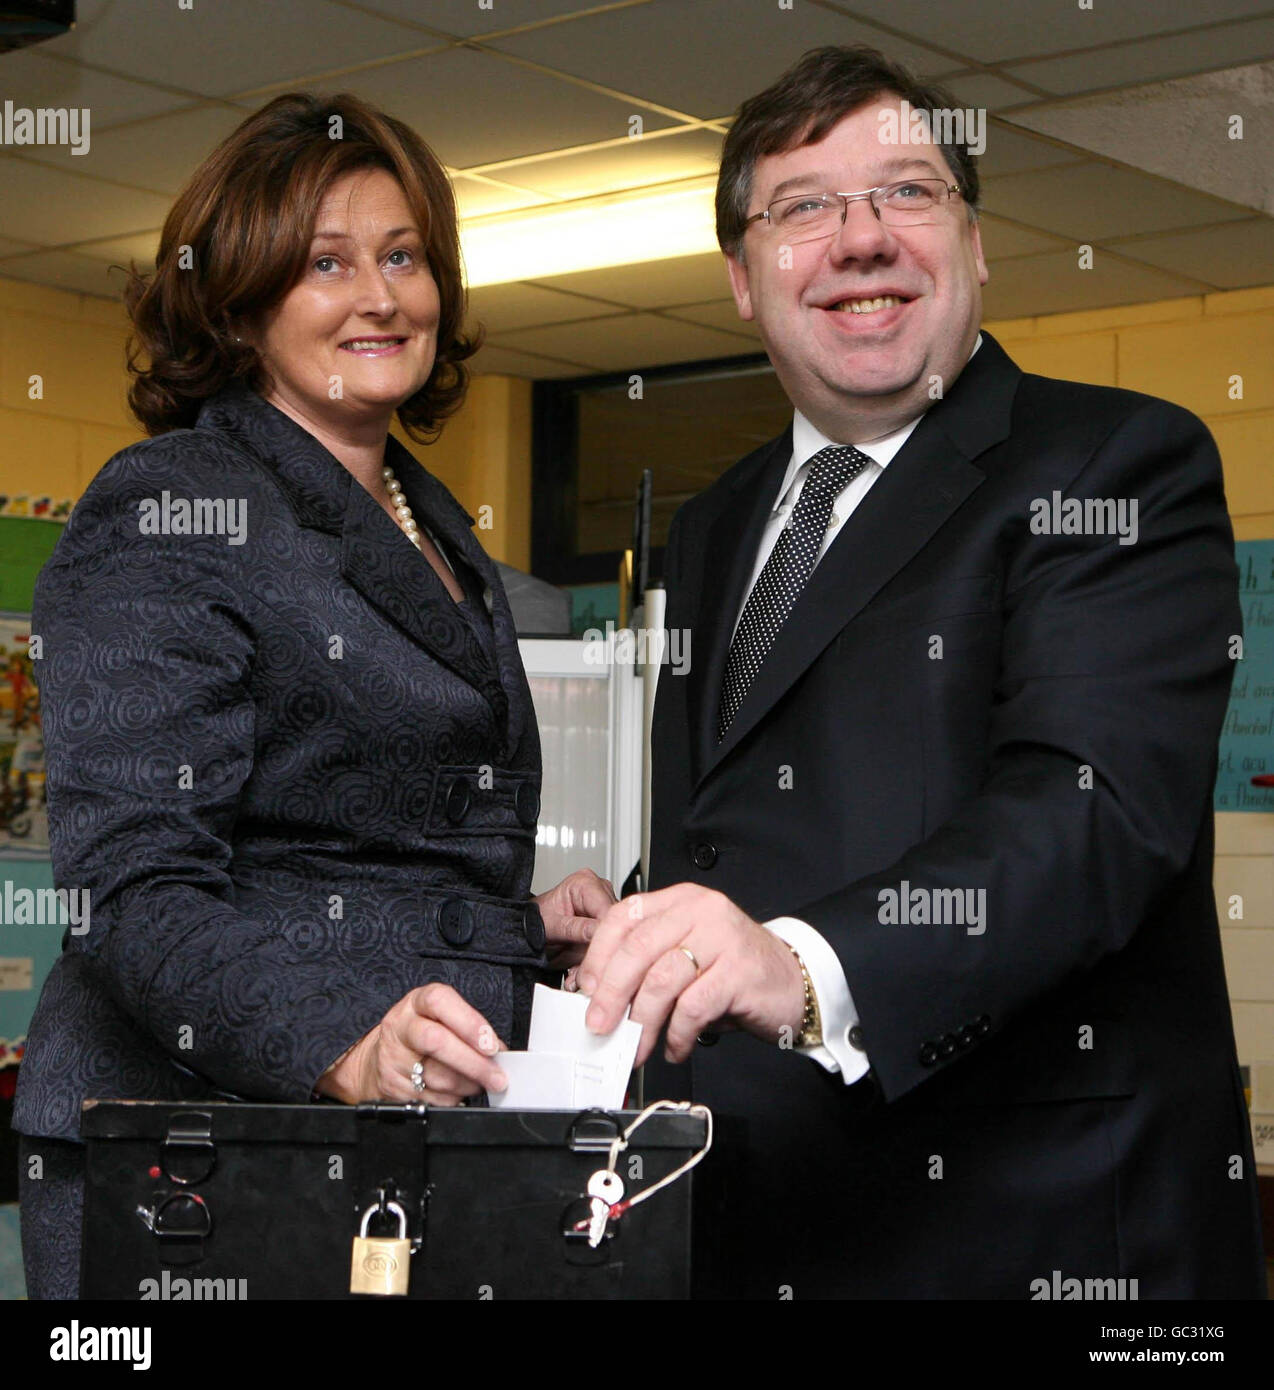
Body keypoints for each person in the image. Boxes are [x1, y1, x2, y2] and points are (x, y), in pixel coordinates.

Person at [576, 46, 1266, 1298]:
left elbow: (1089, 811)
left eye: (906, 192)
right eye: (803, 207)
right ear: (742, 277)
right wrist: (638, 913)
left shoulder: (1113, 465)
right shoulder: (717, 520)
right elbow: (767, 822)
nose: (859, 239)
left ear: (974, 241)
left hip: (1031, 1241)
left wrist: (799, 966)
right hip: (756, 1220)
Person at [12, 91, 612, 1299]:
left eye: (402, 256)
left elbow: (339, 840)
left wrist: (518, 920)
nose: (379, 296)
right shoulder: (175, 504)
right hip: (199, 1151)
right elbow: (131, 883)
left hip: (375, 1141)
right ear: (241, 301)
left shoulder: (427, 516)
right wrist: (339, 1042)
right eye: (324, 263)